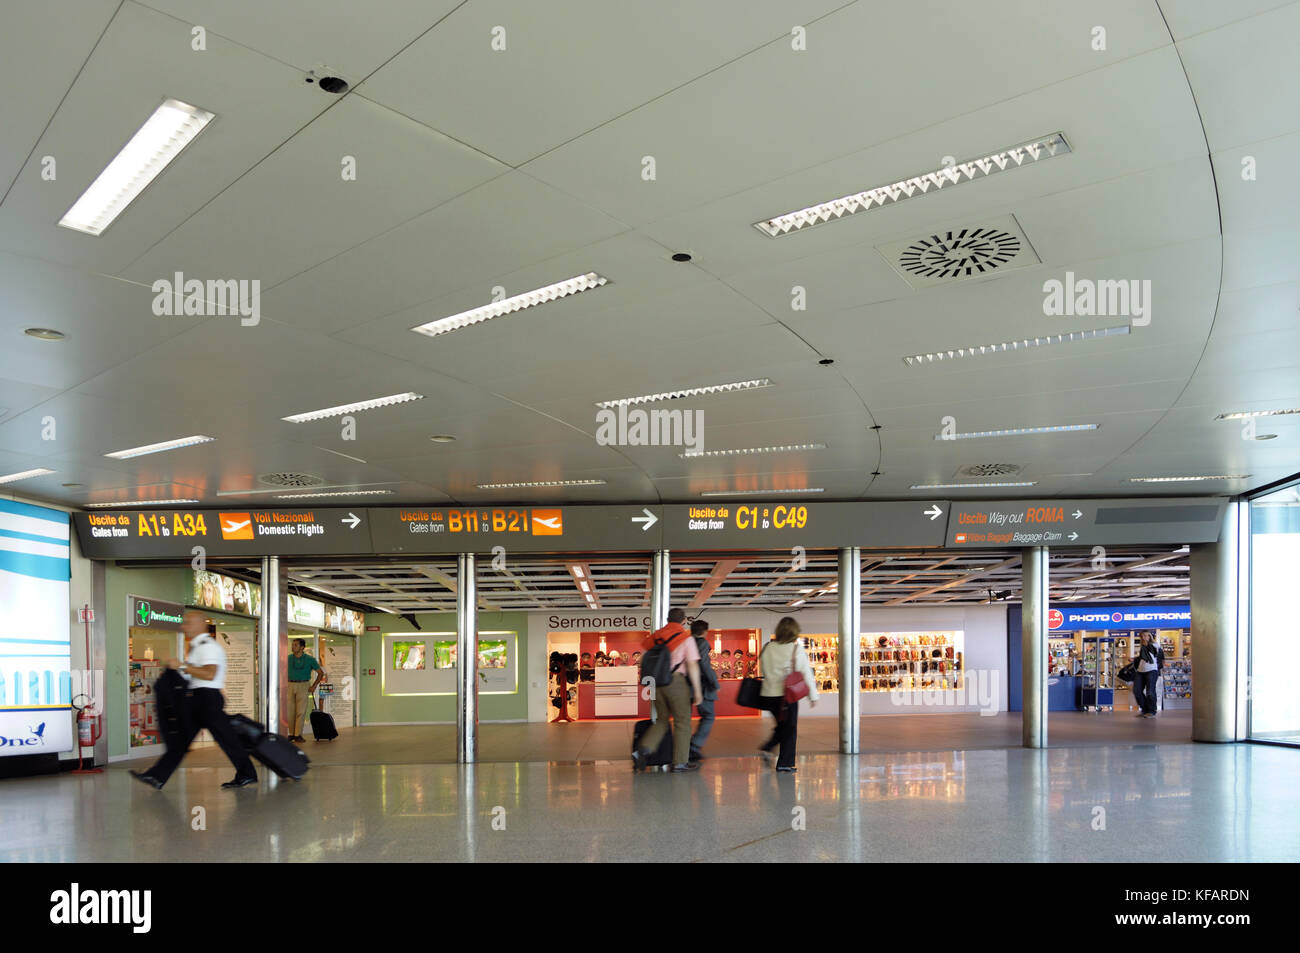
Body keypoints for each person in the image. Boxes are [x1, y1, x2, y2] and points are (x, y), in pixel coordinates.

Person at [130, 610, 258, 790]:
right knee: (183, 740)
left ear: (200, 624)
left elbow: (209, 673)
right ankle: (157, 776)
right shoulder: (198, 646)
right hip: (199, 699)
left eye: (188, 622)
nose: (184, 626)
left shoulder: (208, 646)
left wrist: (182, 666)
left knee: (227, 739)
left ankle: (247, 774)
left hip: (207, 700)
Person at [632, 608, 703, 773]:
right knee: (682, 721)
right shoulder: (686, 637)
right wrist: (698, 691)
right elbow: (692, 665)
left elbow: (643, 659)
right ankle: (680, 763)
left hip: (657, 683)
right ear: (684, 621)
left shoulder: (656, 636)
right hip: (675, 682)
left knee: (663, 720)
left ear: (667, 619)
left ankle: (643, 749)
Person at [757, 617, 819, 773]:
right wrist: (813, 696)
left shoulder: (767, 647)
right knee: (790, 729)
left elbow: (764, 670)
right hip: (787, 695)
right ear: (794, 632)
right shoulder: (795, 649)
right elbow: (806, 673)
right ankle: (784, 763)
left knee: (782, 726)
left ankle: (768, 748)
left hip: (768, 694)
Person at [688, 619, 719, 762]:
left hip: (685, 685)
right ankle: (694, 746)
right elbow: (704, 664)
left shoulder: (686, 642)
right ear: (705, 631)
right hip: (702, 685)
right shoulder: (702, 643)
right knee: (708, 716)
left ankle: (683, 747)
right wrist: (714, 681)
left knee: (684, 719)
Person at [287, 638, 326, 743]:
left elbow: (321, 673)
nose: (293, 647)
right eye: (292, 645)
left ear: (302, 647)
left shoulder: (310, 659)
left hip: (303, 684)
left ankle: (298, 734)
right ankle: (291, 734)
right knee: (290, 711)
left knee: (301, 711)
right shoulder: (288, 658)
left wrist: (313, 686)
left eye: (295, 645)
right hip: (290, 684)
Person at [1131, 631, 1165, 718]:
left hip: (1152, 671)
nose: (1143, 637)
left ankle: (1151, 711)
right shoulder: (1142, 647)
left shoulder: (1155, 645)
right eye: (1142, 636)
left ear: (1150, 636)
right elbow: (1143, 657)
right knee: (1137, 691)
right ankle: (1145, 709)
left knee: (1150, 691)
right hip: (1140, 671)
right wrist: (1135, 659)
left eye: (1146, 635)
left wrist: (1147, 644)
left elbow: (1155, 654)